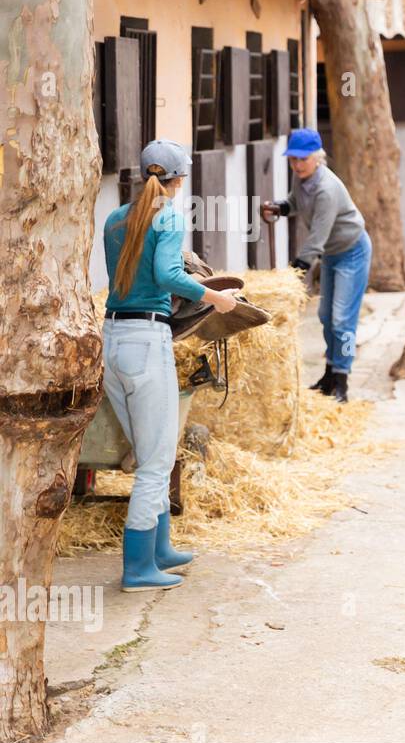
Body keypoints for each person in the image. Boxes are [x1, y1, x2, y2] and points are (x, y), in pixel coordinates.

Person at [102, 139, 239, 592]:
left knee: (149, 450)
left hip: (113, 340)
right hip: (145, 339)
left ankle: (159, 548)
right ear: (179, 180)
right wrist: (215, 297)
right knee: (157, 461)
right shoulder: (170, 215)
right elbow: (165, 276)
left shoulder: (115, 218)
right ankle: (139, 567)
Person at [262, 128, 371, 403]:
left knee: (342, 319)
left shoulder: (326, 189)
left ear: (317, 158)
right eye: (293, 160)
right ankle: (329, 375)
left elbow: (317, 237)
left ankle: (342, 382)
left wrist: (296, 270)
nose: (297, 165)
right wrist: (280, 207)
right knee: (325, 316)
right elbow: (296, 203)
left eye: (303, 159)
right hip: (332, 254)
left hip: (352, 251)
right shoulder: (302, 179)